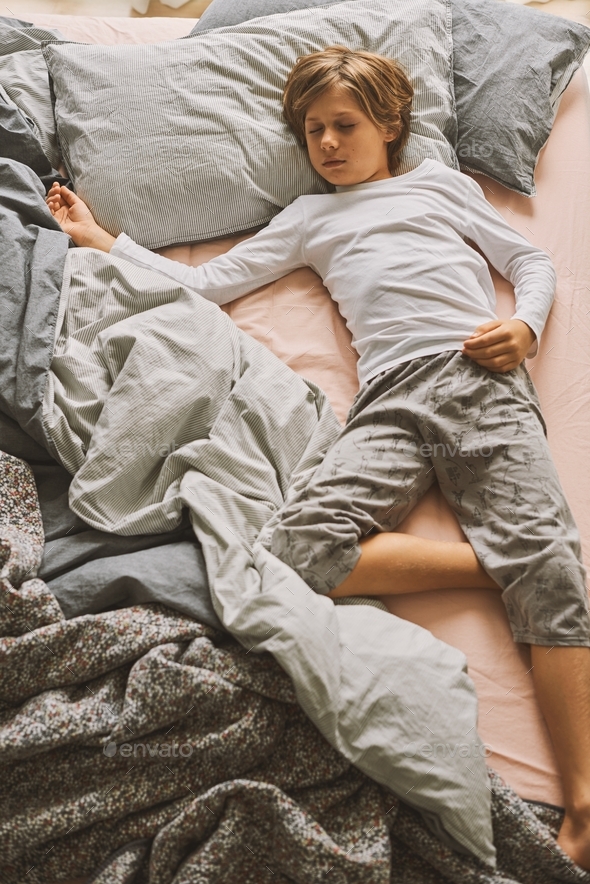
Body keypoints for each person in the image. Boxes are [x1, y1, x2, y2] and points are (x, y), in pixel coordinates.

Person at [46, 45, 590, 870]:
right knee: (292, 554)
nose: (328, 144)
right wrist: (103, 241)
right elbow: (209, 283)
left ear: (391, 126)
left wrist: (527, 325)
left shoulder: (439, 186)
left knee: (549, 578)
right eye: (312, 132)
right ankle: (498, 564)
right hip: (390, 399)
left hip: (478, 376)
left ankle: (584, 795)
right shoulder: (307, 218)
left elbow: (530, 260)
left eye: (344, 126)